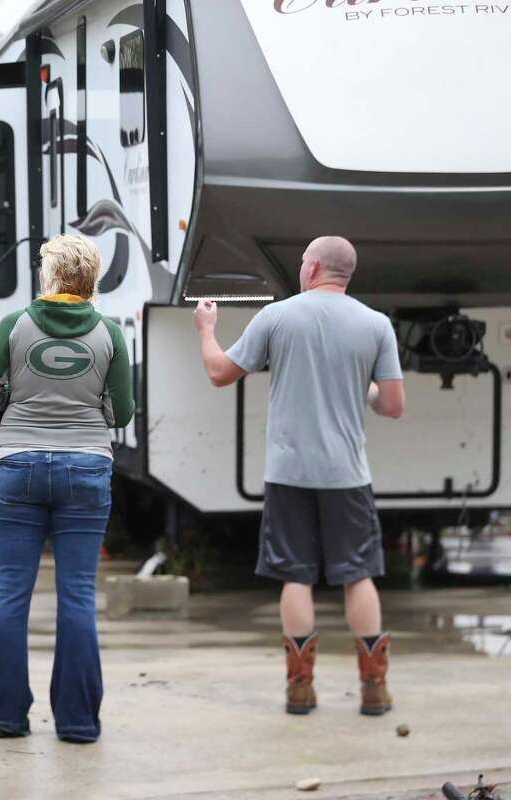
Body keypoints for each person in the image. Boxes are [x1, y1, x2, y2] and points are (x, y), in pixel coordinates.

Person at [192, 235, 405, 716]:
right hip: (347, 475)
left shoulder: (277, 317)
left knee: (294, 576)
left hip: (289, 473)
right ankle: (374, 688)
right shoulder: (376, 325)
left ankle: (300, 689)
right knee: (358, 575)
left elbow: (220, 373)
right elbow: (392, 405)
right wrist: (365, 390)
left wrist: (206, 330)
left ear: (311, 269)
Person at [0, 233, 134, 743]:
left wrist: (11, 394)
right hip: (86, 468)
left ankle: (2, 716)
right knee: (78, 595)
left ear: (51, 276)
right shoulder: (109, 333)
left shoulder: (14, 325)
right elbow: (121, 413)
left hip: (19, 465)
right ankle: (78, 722)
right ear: (90, 279)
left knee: (11, 592)